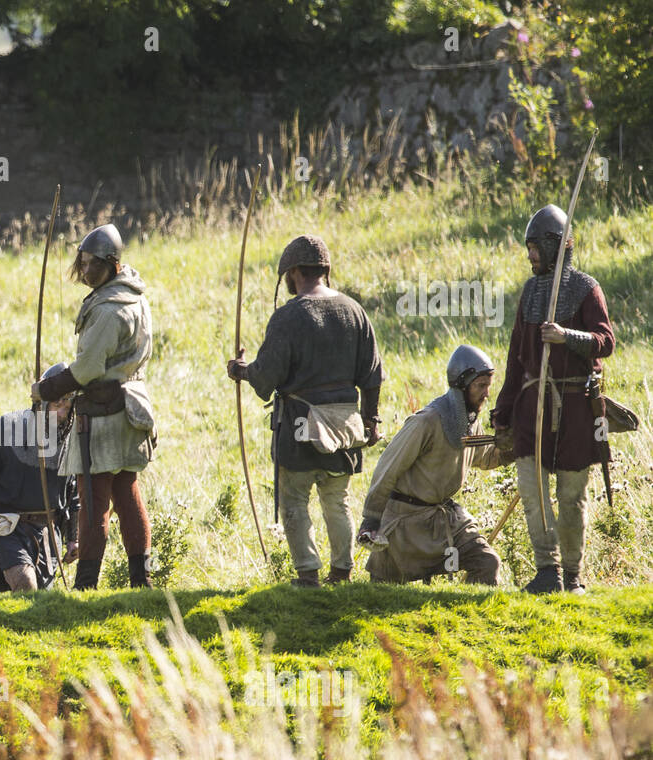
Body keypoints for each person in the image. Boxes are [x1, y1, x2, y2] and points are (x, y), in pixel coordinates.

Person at [227, 234, 384, 587]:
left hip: (299, 427)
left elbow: (266, 377)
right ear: (324, 270)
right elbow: (372, 375)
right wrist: (372, 420)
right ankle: (341, 573)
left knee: (294, 501)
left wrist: (241, 370)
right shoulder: (354, 311)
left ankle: (308, 575)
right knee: (337, 501)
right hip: (345, 426)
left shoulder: (288, 317)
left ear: (294, 272)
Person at [491, 204, 615, 595]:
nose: (530, 255)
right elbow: (516, 359)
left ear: (555, 246)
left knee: (571, 496)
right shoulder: (530, 292)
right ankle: (548, 570)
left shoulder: (586, 288)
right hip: (533, 408)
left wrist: (567, 336)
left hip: (576, 406)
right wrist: (503, 412)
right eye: (528, 247)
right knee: (533, 493)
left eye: (535, 247)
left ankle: (573, 576)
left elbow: (605, 342)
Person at [33, 223, 155, 589]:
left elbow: (87, 370)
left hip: (105, 417)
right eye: (82, 264)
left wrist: (48, 387)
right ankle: (141, 579)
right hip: (129, 409)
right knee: (125, 492)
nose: (85, 272)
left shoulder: (109, 309)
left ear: (112, 263)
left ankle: (87, 584)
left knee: (93, 500)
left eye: (92, 265)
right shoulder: (133, 295)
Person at [357, 345, 506, 585]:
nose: (486, 393)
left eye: (488, 385)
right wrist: (372, 518)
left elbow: (486, 457)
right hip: (406, 525)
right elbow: (387, 469)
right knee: (384, 594)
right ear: (462, 385)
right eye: (480, 386)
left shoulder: (468, 421)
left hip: (445, 522)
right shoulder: (426, 421)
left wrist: (515, 447)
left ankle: (464, 620)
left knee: (487, 562)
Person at [0, 363, 79, 591]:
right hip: (8, 527)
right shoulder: (6, 429)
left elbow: (73, 495)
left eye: (67, 405)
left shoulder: (69, 442)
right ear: (41, 404)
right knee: (25, 586)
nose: (62, 414)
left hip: (48, 534)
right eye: (56, 405)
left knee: (40, 605)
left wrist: (74, 537)